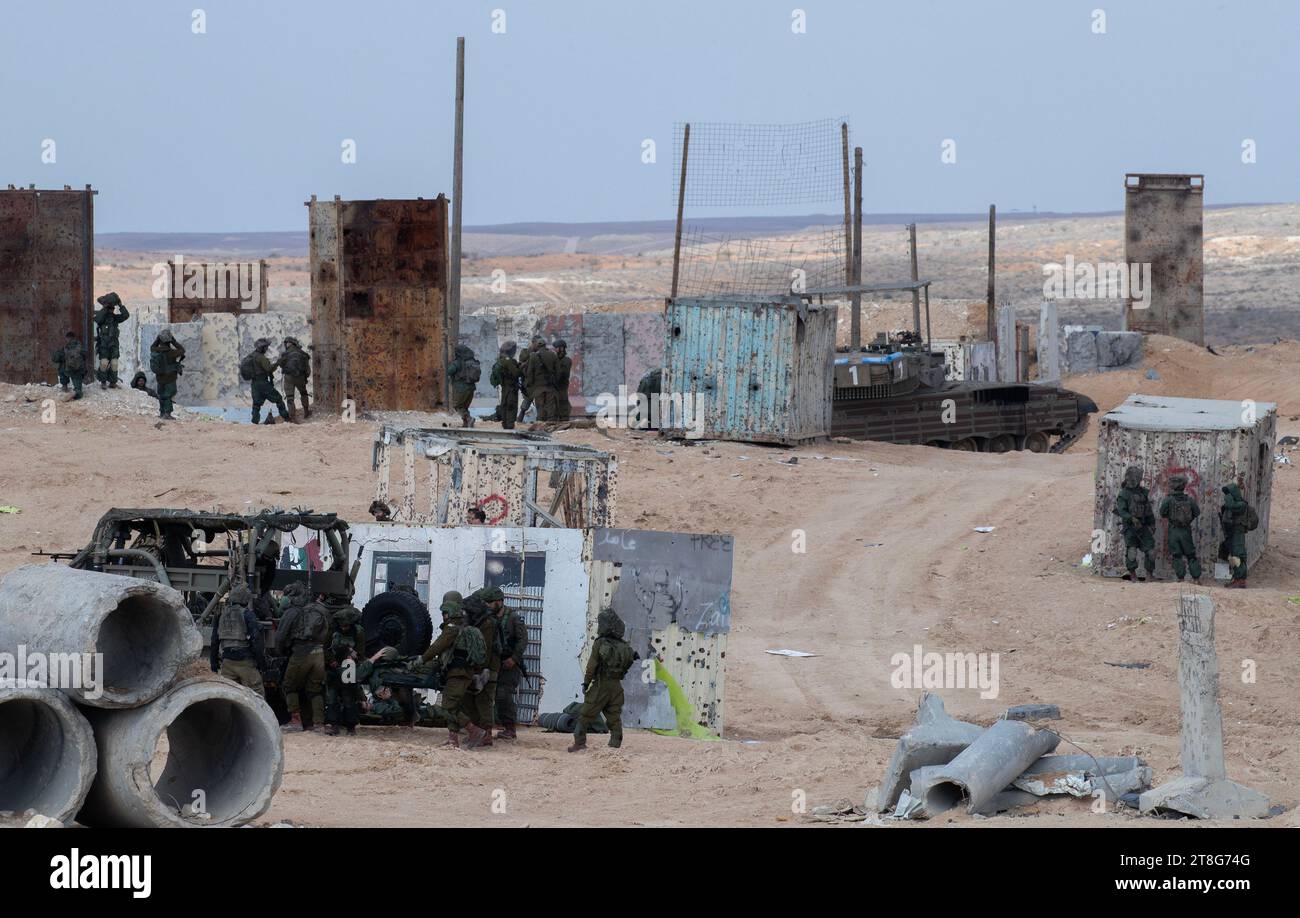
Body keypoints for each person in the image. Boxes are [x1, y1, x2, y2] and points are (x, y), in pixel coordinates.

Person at [420, 594, 489, 748]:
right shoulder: (462, 628)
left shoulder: (451, 630)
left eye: (444, 613)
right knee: (454, 705)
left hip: (457, 673)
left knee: (448, 707)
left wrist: (421, 660)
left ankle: (474, 730)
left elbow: (436, 647)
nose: (443, 617)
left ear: (449, 613)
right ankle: (453, 739)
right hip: (460, 673)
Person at [568, 608, 638, 752]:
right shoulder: (625, 646)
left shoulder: (600, 643)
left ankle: (579, 743)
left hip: (601, 685)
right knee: (614, 717)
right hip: (617, 686)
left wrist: (586, 682)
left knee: (585, 714)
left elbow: (592, 665)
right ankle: (615, 744)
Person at [279, 594, 330, 732]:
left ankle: (296, 721)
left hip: (301, 652)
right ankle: (319, 724)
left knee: (289, 686)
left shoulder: (294, 612)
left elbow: (281, 636)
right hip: (319, 652)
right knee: (315, 689)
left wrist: (282, 651)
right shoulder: (321, 611)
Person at [460, 588, 500, 746]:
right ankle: (477, 732)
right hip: (475, 668)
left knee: (484, 701)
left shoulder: (488, 623)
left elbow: (486, 649)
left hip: (488, 668)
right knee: (469, 700)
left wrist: (481, 670)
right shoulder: (476, 621)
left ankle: (487, 735)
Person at [209, 584, 266, 694]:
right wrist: (261, 664)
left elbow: (214, 641)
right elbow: (256, 642)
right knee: (257, 694)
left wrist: (214, 664)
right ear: (245, 599)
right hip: (245, 662)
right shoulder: (248, 614)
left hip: (227, 663)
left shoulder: (220, 615)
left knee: (227, 696)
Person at [324, 606, 366, 736]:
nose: (344, 629)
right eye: (342, 626)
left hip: (349, 667)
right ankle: (333, 725)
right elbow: (325, 648)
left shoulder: (358, 632)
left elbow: (361, 652)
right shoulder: (332, 631)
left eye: (347, 626)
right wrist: (332, 661)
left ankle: (351, 726)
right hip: (333, 667)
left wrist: (353, 657)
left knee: (348, 697)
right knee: (331, 697)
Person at [494, 594, 530, 740]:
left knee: (504, 694)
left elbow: (523, 640)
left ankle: (510, 728)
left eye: (492, 602)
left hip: (509, 664)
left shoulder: (513, 618)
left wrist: (514, 659)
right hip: (496, 662)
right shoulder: (490, 618)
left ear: (500, 602)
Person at [1114, 465, 1156, 582]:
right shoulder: (1123, 494)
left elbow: (1148, 510)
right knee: (1131, 552)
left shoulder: (1143, 492)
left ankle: (1149, 574)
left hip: (1143, 527)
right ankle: (1133, 574)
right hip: (1131, 528)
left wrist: (1152, 523)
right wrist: (1131, 519)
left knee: (1151, 551)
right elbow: (1122, 511)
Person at [1159, 474, 1202, 582]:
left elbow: (1163, 513)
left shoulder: (1168, 499)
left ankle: (1181, 578)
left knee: (1176, 555)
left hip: (1173, 531)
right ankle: (1196, 578)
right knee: (1191, 555)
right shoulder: (1190, 500)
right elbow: (1197, 512)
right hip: (1186, 531)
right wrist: (1188, 520)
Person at [246, 337, 293, 425]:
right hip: (262, 383)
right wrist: (278, 363)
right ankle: (287, 418)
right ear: (262, 348)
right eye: (266, 347)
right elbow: (269, 369)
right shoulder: (260, 357)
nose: (267, 348)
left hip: (254, 384)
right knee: (278, 399)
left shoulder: (252, 356)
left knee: (256, 404)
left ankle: (254, 422)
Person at [1219, 483, 1254, 588]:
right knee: (1232, 555)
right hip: (1231, 533)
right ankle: (1237, 578)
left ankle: (1240, 580)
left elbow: (1232, 506)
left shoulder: (1240, 504)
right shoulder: (1230, 505)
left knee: (1238, 555)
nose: (1227, 495)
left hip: (1238, 533)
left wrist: (1228, 496)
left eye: (1229, 493)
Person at [93, 292, 130, 389]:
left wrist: (120, 305)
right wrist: (105, 308)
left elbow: (126, 315)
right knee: (104, 363)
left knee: (114, 363)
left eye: (112, 308)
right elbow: (97, 319)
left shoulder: (115, 319)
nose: (111, 310)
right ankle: (103, 381)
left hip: (114, 345)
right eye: (110, 309)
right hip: (104, 345)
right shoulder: (102, 318)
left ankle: (113, 382)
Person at [149, 329, 186, 420]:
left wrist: (157, 340)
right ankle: (167, 413)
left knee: (161, 394)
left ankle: (162, 412)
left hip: (160, 377)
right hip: (170, 377)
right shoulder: (171, 352)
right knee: (168, 395)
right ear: (169, 341)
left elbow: (152, 347)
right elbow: (182, 350)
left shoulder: (156, 351)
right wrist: (174, 341)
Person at [490, 340, 522, 431]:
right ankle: (510, 425)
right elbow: (516, 373)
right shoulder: (509, 361)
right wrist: (521, 368)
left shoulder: (500, 360)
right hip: (511, 388)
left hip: (504, 387)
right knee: (511, 406)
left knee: (504, 405)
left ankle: (505, 424)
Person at [525, 337, 558, 421]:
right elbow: (558, 371)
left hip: (538, 387)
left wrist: (529, 385)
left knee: (540, 407)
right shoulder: (553, 354)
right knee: (550, 407)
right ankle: (551, 424)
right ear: (545, 345)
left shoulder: (533, 356)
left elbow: (530, 373)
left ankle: (541, 424)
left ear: (538, 346)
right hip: (550, 386)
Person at [447, 344, 481, 427]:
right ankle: (466, 423)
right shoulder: (472, 361)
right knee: (464, 406)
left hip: (460, 388)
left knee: (457, 406)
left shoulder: (458, 362)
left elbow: (449, 371)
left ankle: (469, 418)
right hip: (471, 388)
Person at [279, 336, 311, 421]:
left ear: (287, 344)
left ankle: (292, 417)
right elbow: (308, 369)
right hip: (300, 377)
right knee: (304, 393)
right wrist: (305, 377)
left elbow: (281, 364)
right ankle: (306, 411)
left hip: (288, 377)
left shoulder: (285, 354)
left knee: (290, 397)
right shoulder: (303, 353)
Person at [52, 331, 87, 400]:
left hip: (68, 370)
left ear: (67, 338)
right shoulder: (80, 347)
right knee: (78, 389)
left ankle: (64, 386)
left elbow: (55, 359)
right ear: (74, 338)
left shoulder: (65, 348)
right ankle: (76, 393)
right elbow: (85, 356)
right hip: (78, 372)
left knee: (62, 365)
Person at [552, 339, 572, 421]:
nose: (555, 350)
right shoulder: (556, 359)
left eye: (556, 348)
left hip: (562, 387)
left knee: (563, 406)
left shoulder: (566, 360)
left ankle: (564, 421)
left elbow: (562, 373)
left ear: (561, 348)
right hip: (555, 387)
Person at [515, 346, 534, 423]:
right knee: (525, 404)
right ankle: (519, 420)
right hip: (528, 384)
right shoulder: (526, 354)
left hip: (531, 384)